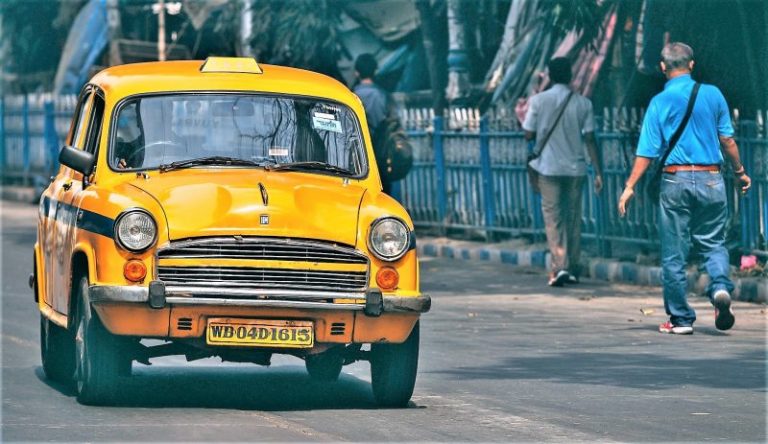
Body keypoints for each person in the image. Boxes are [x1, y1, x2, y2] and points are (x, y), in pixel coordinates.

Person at [618, 42, 752, 335]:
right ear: (692, 64)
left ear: (663, 67)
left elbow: (647, 152)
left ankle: (680, 319)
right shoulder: (713, 94)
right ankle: (719, 289)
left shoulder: (659, 103)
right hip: (711, 178)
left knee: (674, 252)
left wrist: (630, 187)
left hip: (675, 180)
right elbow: (727, 141)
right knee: (713, 242)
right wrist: (740, 173)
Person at [523, 57, 603, 287]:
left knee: (553, 219)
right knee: (573, 218)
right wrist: (598, 172)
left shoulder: (538, 101)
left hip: (548, 168)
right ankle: (574, 267)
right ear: (570, 75)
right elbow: (589, 139)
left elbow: (528, 133)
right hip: (576, 168)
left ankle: (559, 267)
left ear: (550, 75)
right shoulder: (583, 103)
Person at [352, 53, 392, 194]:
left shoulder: (351, 96)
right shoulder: (383, 96)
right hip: (380, 156)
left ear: (356, 72)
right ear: (375, 71)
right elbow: (391, 125)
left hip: (355, 160)